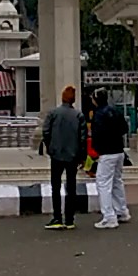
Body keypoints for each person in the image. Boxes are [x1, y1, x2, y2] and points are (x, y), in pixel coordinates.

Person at [41, 85, 86, 231]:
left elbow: (46, 131)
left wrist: (50, 147)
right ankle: (70, 219)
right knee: (71, 186)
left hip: (56, 154)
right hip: (72, 155)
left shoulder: (53, 113)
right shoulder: (79, 115)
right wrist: (82, 156)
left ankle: (57, 217)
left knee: (56, 186)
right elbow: (82, 138)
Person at [91, 89, 130, 229]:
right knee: (117, 181)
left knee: (103, 183)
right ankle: (122, 210)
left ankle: (109, 216)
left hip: (106, 152)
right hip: (118, 150)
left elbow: (96, 134)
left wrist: (97, 149)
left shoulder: (98, 114)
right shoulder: (115, 111)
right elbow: (124, 128)